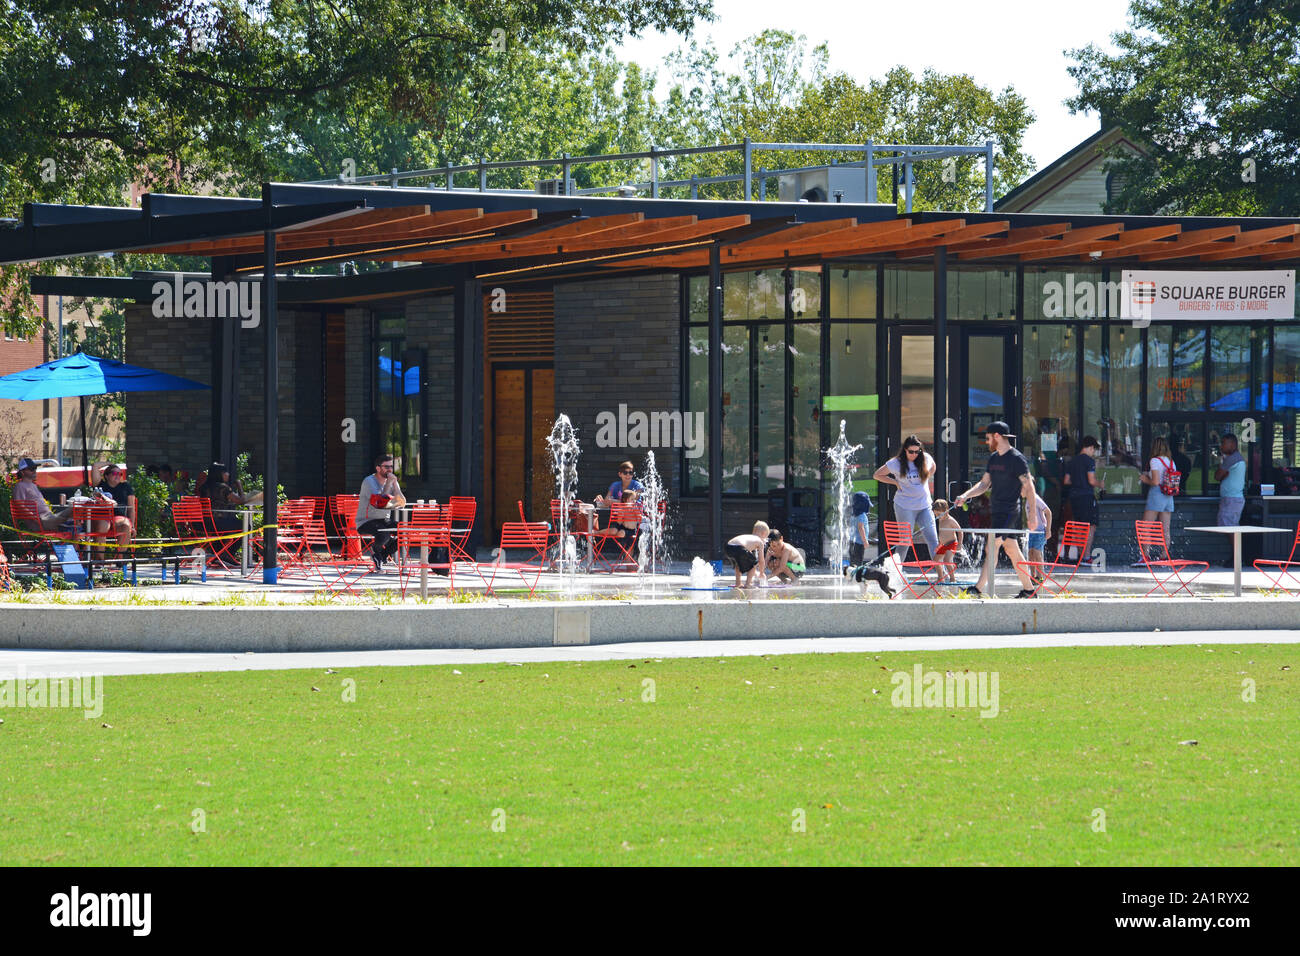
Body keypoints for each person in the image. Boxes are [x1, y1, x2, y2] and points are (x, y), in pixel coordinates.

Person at [953, 422, 1038, 599]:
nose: (987, 441)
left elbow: (1029, 487)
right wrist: (966, 495)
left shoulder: (1017, 459)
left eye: (988, 438)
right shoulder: (993, 458)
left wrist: (1032, 515)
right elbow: (984, 484)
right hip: (996, 510)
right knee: (1012, 550)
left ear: (997, 436)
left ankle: (977, 588)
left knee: (992, 546)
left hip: (1009, 511)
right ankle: (1029, 590)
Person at [873, 436, 939, 560]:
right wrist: (895, 483)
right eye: (911, 452)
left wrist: (928, 476)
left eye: (917, 451)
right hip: (904, 506)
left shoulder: (925, 458)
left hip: (924, 505)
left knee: (933, 539)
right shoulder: (895, 462)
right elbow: (877, 475)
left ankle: (941, 575)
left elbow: (934, 466)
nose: (914, 454)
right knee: (905, 541)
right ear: (905, 450)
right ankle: (895, 574)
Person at [355, 453, 407, 571]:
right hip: (366, 521)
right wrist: (389, 483)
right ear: (378, 468)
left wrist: (395, 485)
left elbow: (402, 502)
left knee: (404, 532)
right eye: (386, 467)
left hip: (383, 520)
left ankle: (381, 556)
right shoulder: (369, 481)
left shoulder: (391, 480)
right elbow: (379, 503)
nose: (390, 470)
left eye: (391, 467)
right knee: (384, 534)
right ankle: (376, 551)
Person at [1137, 437, 1177, 563]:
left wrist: (1144, 479)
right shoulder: (1171, 462)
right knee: (1165, 529)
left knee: (1145, 527)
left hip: (1157, 495)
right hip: (1168, 497)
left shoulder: (1154, 460)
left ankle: (1145, 557)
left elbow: (1155, 482)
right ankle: (1164, 557)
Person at [1063, 435, 1101, 562]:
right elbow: (1091, 480)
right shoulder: (1089, 461)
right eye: (1094, 450)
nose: (1093, 452)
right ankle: (1086, 556)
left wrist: (1077, 481)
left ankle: (1080, 554)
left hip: (1074, 497)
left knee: (1079, 526)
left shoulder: (1072, 461)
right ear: (1090, 447)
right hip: (1086, 496)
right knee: (1090, 526)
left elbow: (1066, 481)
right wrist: (1099, 483)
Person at [11, 457, 72, 532]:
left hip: (49, 517)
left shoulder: (33, 485)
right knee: (74, 510)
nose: (34, 471)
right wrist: (35, 518)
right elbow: (19, 505)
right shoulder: (20, 486)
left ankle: (80, 541)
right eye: (31, 469)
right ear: (22, 472)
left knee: (76, 515)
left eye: (35, 468)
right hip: (41, 521)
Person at [594, 460, 644, 550]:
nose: (628, 475)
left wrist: (615, 502)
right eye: (625, 473)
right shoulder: (615, 485)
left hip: (632, 521)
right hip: (620, 519)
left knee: (626, 540)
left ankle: (629, 559)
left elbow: (633, 503)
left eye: (631, 472)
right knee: (615, 531)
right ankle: (595, 533)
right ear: (620, 474)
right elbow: (606, 501)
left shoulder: (637, 486)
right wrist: (602, 500)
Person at [90, 461, 135, 554]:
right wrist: (110, 463)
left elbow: (131, 508)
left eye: (120, 474)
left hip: (119, 517)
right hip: (102, 515)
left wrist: (133, 526)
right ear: (106, 476)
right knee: (102, 526)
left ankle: (120, 560)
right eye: (114, 473)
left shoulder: (125, 486)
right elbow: (95, 466)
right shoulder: (100, 485)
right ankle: (100, 561)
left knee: (126, 526)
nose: (118, 475)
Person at [1214, 433, 1247, 527]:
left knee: (1229, 527)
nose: (1221, 446)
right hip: (1234, 498)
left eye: (1223, 443)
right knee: (1230, 525)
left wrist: (1222, 464)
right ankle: (1236, 542)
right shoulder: (1238, 458)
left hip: (1231, 499)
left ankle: (1237, 542)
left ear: (1232, 444)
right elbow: (1223, 476)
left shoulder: (1231, 459)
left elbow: (1217, 476)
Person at [725, 520, 769, 588]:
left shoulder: (750, 538)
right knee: (753, 564)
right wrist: (761, 572)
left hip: (728, 546)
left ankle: (738, 583)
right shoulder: (759, 541)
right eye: (766, 537)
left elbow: (747, 558)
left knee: (738, 564)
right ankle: (748, 584)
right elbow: (761, 560)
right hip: (739, 547)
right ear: (763, 533)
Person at [931, 499, 964, 583]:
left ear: (946, 511)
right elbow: (942, 534)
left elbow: (960, 531)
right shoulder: (940, 519)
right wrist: (939, 544)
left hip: (952, 543)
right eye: (935, 514)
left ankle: (952, 578)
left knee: (947, 560)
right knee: (936, 560)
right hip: (943, 544)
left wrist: (960, 543)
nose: (937, 516)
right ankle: (940, 577)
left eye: (938, 514)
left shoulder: (950, 520)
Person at [1025, 491, 1052, 584]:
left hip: (1040, 531)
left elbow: (1048, 512)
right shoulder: (1027, 501)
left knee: (1037, 553)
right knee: (1030, 553)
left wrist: (1048, 529)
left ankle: (1040, 577)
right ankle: (1033, 576)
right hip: (1032, 531)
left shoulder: (1036, 498)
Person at [848, 490, 873, 567]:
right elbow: (860, 528)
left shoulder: (853, 514)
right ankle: (856, 578)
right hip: (859, 543)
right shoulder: (861, 516)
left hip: (852, 542)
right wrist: (865, 541)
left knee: (853, 563)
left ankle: (851, 577)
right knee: (858, 564)